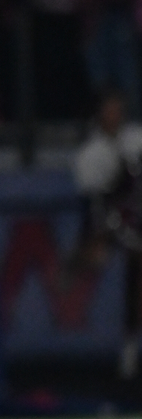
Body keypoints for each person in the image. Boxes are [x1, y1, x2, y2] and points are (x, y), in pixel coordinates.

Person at [74, 91, 142, 380]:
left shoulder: (136, 138)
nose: (114, 114)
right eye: (109, 109)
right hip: (108, 221)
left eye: (119, 109)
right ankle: (126, 349)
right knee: (130, 261)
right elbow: (94, 206)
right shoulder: (90, 153)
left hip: (138, 217)